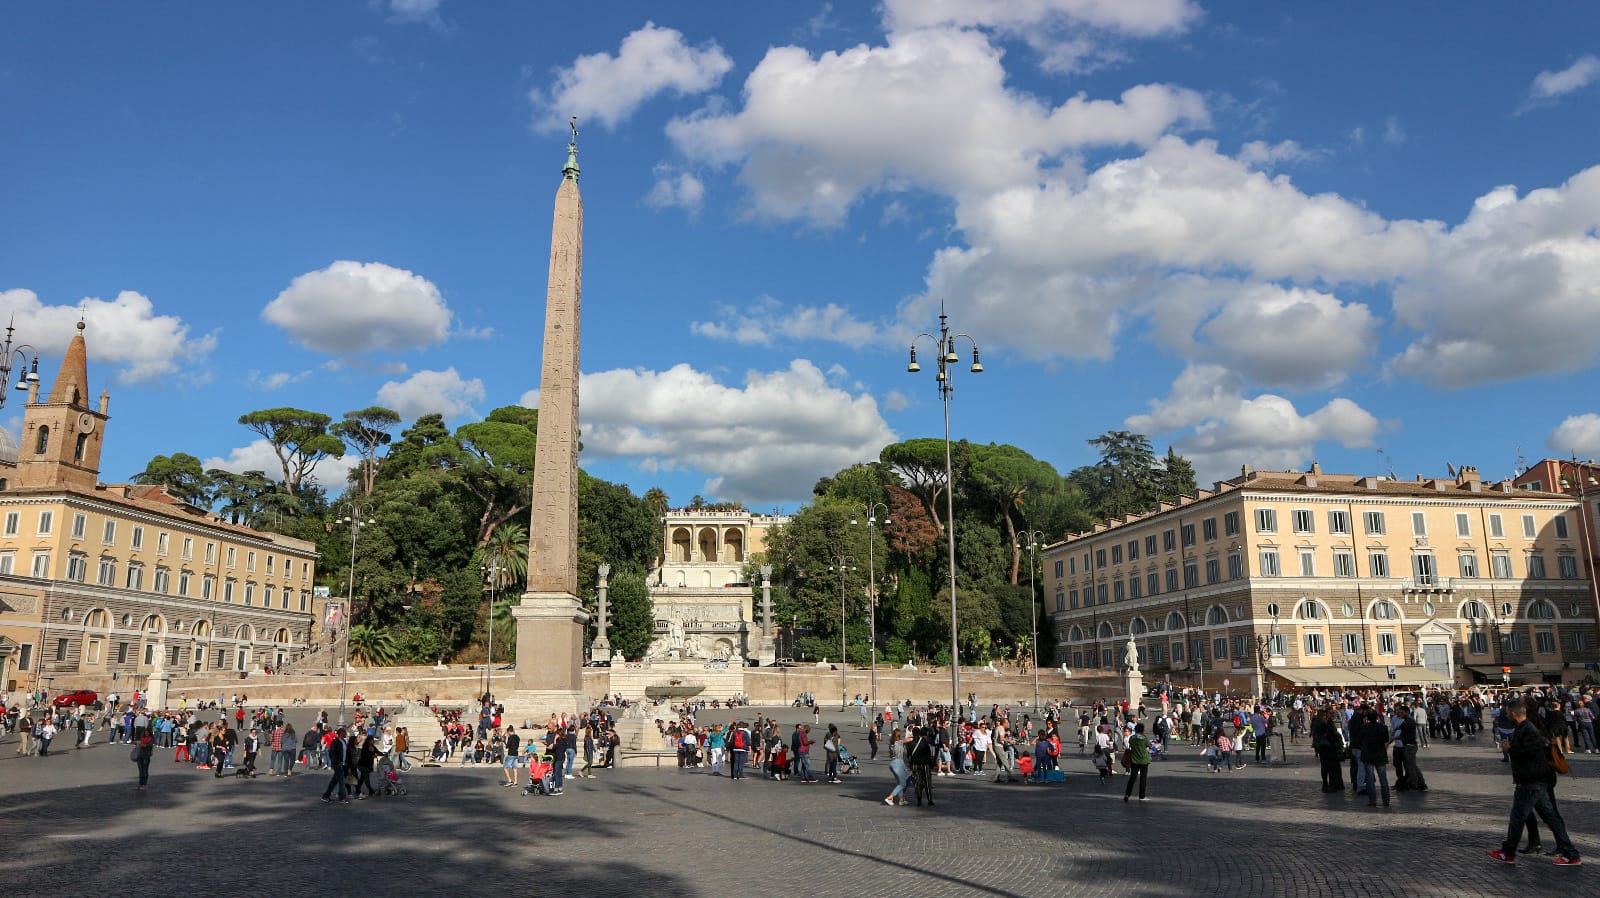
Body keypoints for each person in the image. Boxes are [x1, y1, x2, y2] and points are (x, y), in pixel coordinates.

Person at [1488, 699, 1581, 866]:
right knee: (1550, 817)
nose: (1507, 715)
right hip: (1534, 781)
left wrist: (1510, 749)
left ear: (1514, 713)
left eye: (1508, 712)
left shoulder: (1527, 729)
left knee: (1518, 816)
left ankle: (1508, 851)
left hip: (1531, 781)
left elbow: (1532, 753)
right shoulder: (1524, 728)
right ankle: (1570, 853)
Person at [1358, 710, 1391, 808]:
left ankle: (1372, 800)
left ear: (1367, 718)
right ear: (1377, 717)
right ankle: (1386, 800)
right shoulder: (1383, 728)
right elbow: (1386, 740)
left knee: (1369, 779)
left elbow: (1360, 740)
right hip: (1380, 754)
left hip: (1368, 755)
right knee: (1383, 778)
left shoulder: (1364, 727)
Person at [321, 727, 351, 803]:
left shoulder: (343, 741)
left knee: (334, 781)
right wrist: (337, 762)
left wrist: (346, 762)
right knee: (341, 781)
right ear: (341, 733)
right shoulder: (336, 741)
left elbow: (345, 753)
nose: (345, 734)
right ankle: (343, 798)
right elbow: (331, 753)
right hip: (337, 764)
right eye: (344, 732)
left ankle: (326, 795)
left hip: (343, 764)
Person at [1123, 722, 1151, 801]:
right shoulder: (1145, 738)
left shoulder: (1132, 738)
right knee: (1143, 778)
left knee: (1132, 778)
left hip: (1134, 759)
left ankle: (1127, 794)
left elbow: (1130, 745)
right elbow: (1149, 745)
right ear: (1142, 730)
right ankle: (1142, 796)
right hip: (1144, 760)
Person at [908, 726, 936, 806]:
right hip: (925, 764)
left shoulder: (910, 743)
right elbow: (929, 752)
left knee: (918, 782)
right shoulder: (924, 741)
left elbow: (909, 755)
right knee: (927, 782)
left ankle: (919, 799)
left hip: (915, 765)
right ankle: (930, 799)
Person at [883, 727, 910, 805]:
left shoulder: (891, 744)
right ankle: (890, 797)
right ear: (899, 735)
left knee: (899, 783)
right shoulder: (899, 742)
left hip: (892, 763)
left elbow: (890, 755)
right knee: (903, 784)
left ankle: (901, 799)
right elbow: (908, 740)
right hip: (899, 763)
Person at [133, 726, 154, 790]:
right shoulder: (142, 738)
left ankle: (144, 784)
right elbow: (136, 742)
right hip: (140, 755)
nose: (146, 733)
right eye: (145, 732)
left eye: (147, 732)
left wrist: (142, 744)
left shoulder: (151, 739)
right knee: (140, 771)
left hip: (146, 756)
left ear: (149, 733)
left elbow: (148, 745)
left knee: (145, 770)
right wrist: (136, 743)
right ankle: (140, 784)